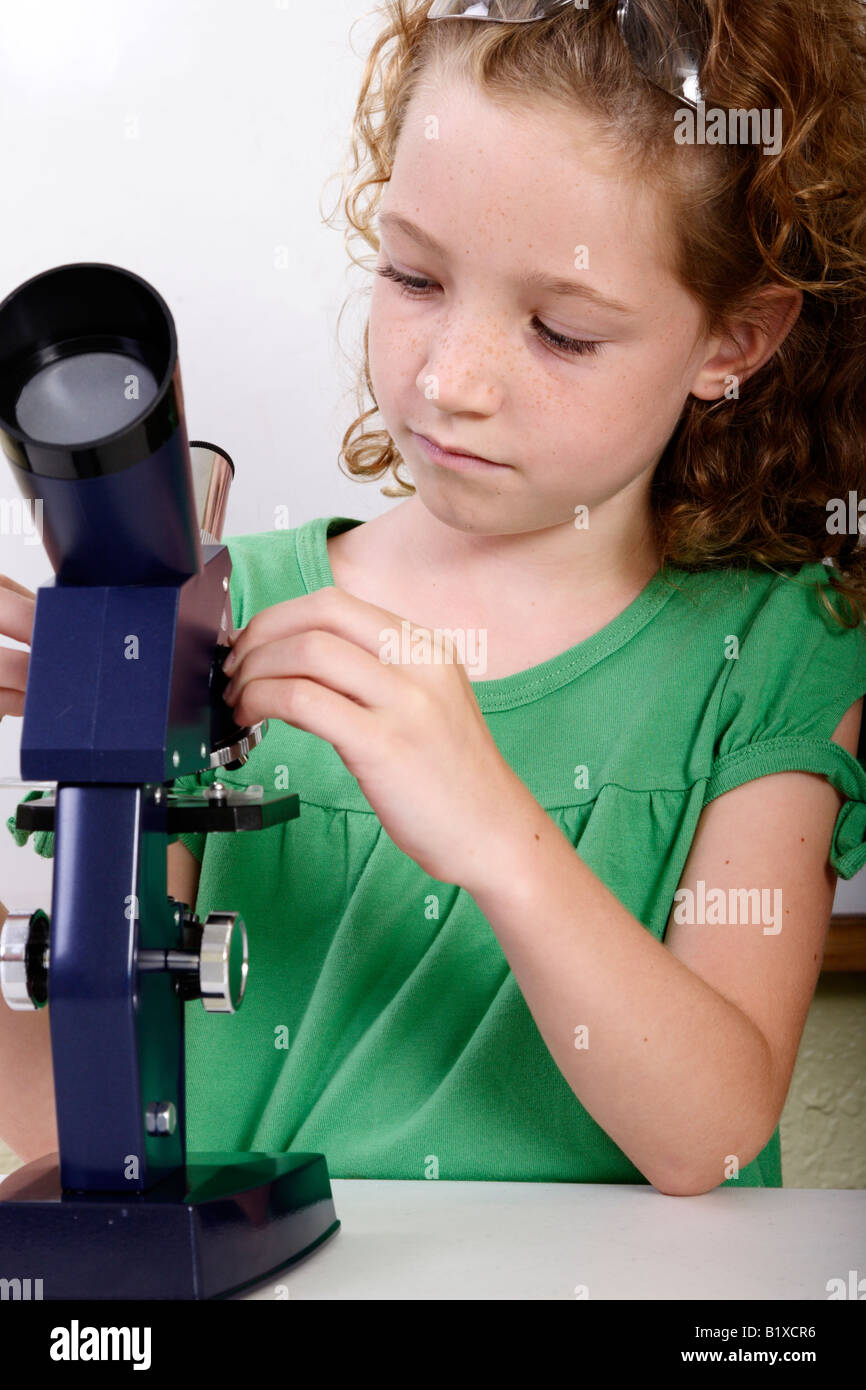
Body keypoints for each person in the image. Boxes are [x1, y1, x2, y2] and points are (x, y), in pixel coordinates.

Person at [4, 0, 866, 1193]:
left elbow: (706, 1137)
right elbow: (73, 1111)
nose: (449, 381)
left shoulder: (772, 649)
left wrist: (494, 834)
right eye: (413, 275)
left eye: (560, 332)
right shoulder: (226, 612)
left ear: (731, 341)